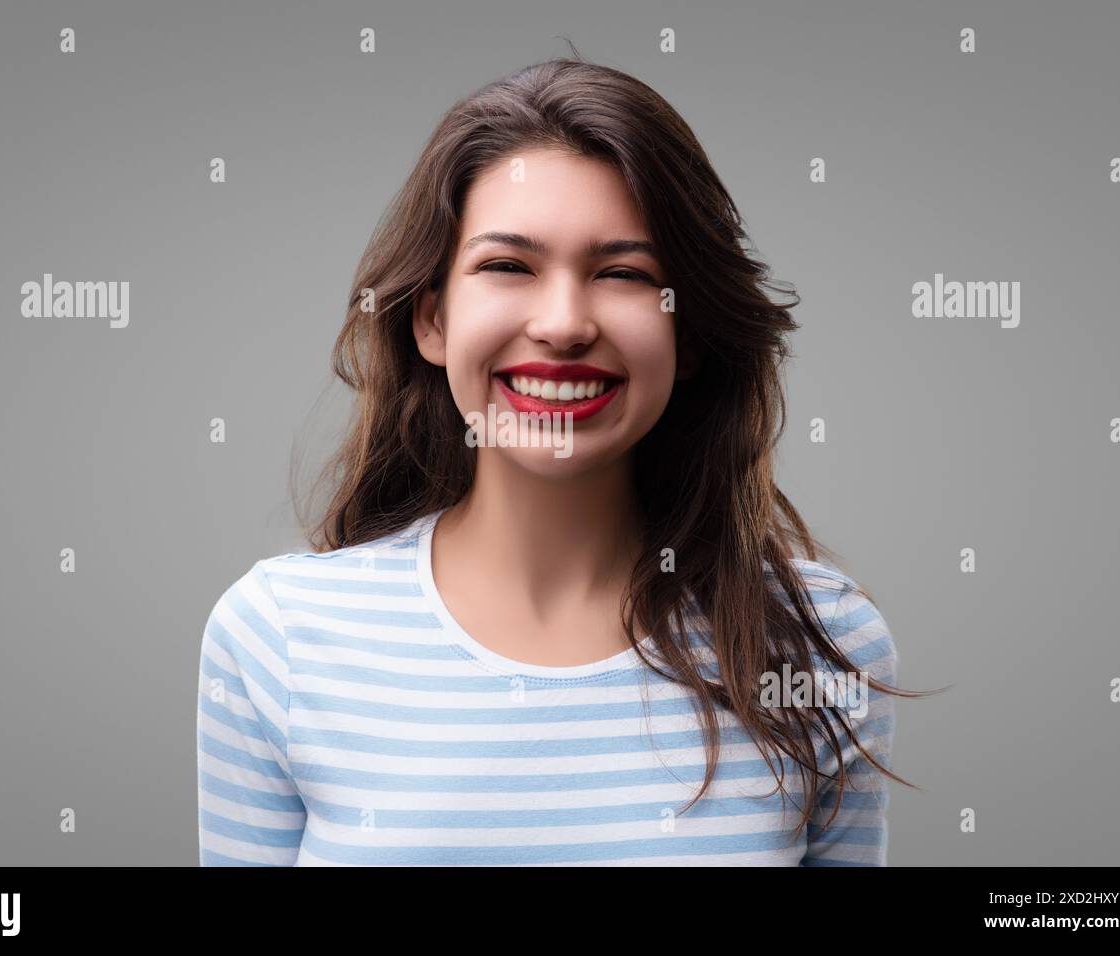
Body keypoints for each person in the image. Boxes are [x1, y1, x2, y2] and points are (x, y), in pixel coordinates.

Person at [196, 56, 918, 866]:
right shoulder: (279, 637)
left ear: (687, 339)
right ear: (432, 321)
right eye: (508, 266)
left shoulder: (822, 645)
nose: (565, 323)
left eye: (623, 274)